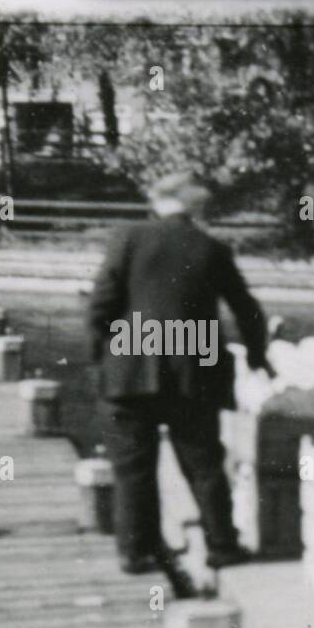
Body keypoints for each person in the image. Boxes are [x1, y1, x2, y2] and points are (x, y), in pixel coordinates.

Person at [87, 172, 272, 574]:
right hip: (195, 369)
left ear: (158, 201)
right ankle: (222, 546)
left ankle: (137, 553)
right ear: (195, 208)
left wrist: (102, 356)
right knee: (205, 463)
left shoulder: (128, 238)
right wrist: (258, 356)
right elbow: (247, 308)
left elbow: (101, 304)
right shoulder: (212, 248)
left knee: (134, 469)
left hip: (131, 367)